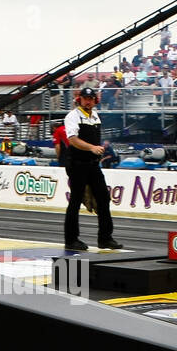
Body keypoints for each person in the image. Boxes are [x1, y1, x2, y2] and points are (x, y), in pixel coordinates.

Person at [62, 88, 120, 251]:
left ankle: (105, 238)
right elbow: (72, 140)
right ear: (79, 100)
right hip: (77, 163)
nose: (88, 101)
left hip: (92, 164)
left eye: (91, 98)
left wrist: (96, 151)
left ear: (95, 100)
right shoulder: (73, 116)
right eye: (85, 98)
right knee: (75, 201)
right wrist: (92, 148)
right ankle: (71, 239)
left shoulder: (95, 116)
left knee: (104, 198)